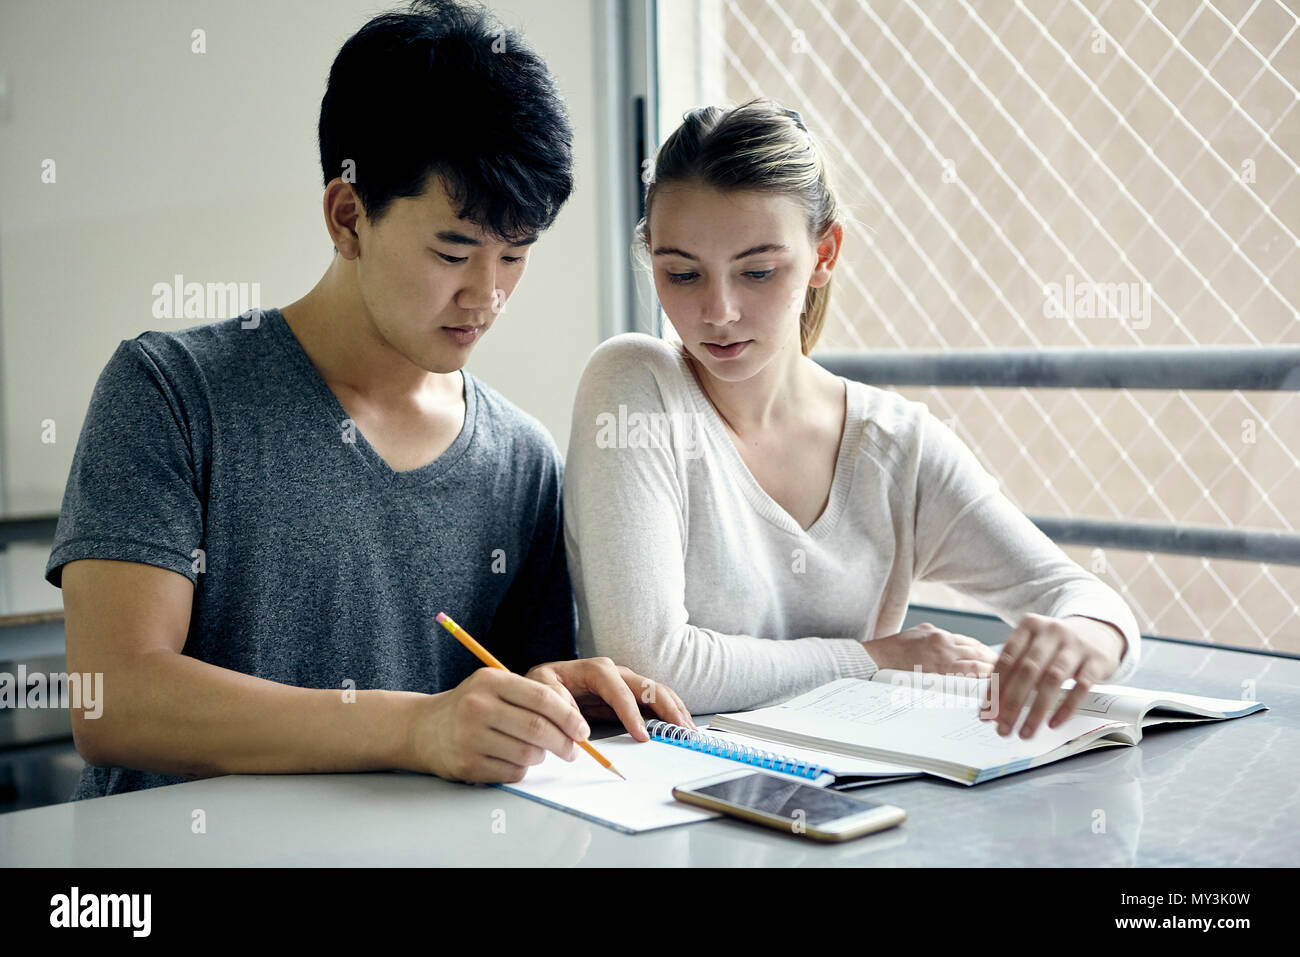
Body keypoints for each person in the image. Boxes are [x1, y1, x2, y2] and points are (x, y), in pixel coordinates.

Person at [46, 0, 691, 801]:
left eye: (515, 255)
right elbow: (116, 700)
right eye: (453, 252)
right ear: (349, 217)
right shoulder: (170, 393)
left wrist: (541, 700)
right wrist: (416, 726)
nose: (487, 295)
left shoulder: (522, 460)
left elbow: (485, 716)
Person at [563, 97, 1141, 738]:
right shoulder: (635, 384)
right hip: (669, 787)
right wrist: (874, 660)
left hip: (856, 786)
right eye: (681, 274)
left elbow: (1080, 596)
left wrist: (1087, 636)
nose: (719, 311)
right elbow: (649, 666)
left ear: (825, 253)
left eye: (758, 271)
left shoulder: (895, 445)